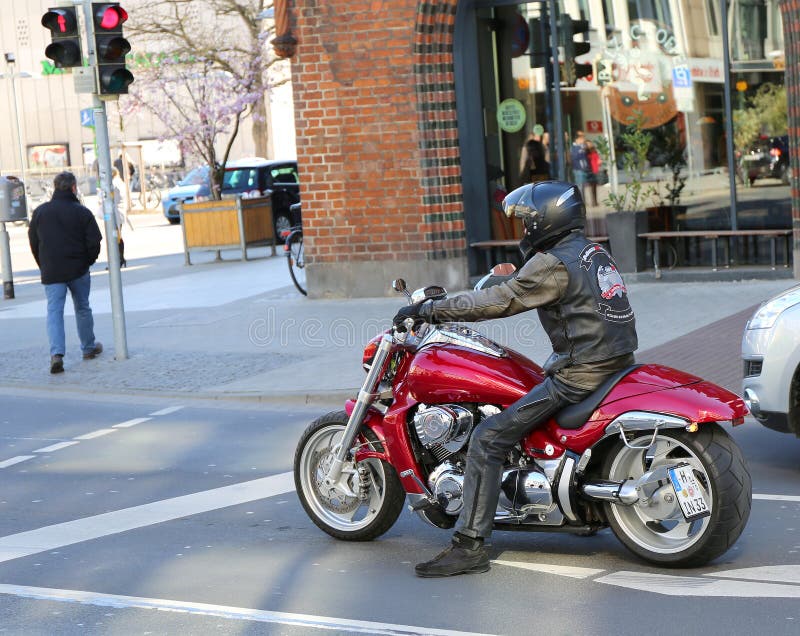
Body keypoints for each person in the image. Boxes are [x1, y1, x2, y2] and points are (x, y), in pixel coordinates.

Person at [393, 181, 638, 578]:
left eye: (527, 221)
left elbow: (500, 302)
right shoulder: (591, 251)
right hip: (615, 362)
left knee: (487, 437)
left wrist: (433, 309)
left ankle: (469, 545)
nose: (524, 230)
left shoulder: (551, 263)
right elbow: (526, 288)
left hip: (578, 374)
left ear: (545, 221)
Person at [28, 171, 103, 374]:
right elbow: (94, 241)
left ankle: (56, 355)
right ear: (73, 188)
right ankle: (88, 348)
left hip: (52, 271)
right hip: (78, 269)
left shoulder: (40, 213)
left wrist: (43, 264)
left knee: (54, 312)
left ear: (54, 187)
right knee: (82, 308)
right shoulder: (81, 212)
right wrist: (87, 261)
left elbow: (34, 243)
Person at [570, 130, 590, 200]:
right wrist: (581, 149)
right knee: (580, 186)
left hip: (583, 169)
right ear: (578, 139)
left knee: (583, 186)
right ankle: (581, 201)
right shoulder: (574, 147)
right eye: (582, 137)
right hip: (578, 169)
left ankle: (583, 201)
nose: (584, 138)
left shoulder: (582, 146)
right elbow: (574, 157)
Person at [584, 140, 600, 206]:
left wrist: (599, 161)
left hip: (595, 170)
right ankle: (589, 201)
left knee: (594, 187)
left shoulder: (594, 150)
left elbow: (597, 158)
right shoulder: (585, 152)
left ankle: (595, 201)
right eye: (587, 144)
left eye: (590, 143)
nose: (589, 145)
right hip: (589, 170)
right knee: (589, 187)